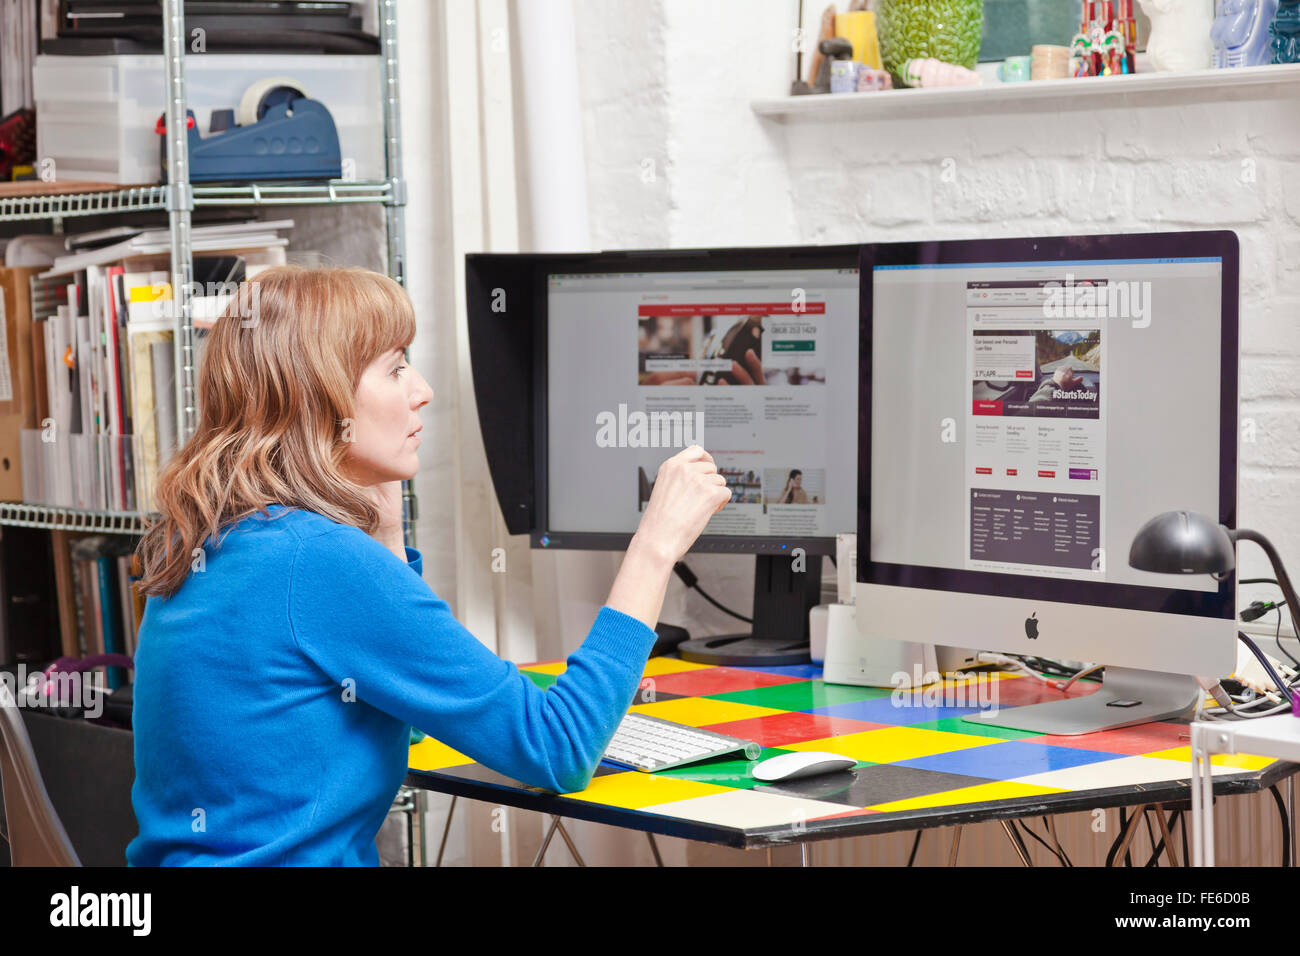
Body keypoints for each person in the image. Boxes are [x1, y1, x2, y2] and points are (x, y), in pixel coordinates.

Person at [126, 266, 731, 866]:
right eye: (395, 368)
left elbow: (400, 715)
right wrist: (654, 547)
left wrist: (386, 535)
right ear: (320, 399)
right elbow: (559, 747)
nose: (423, 390)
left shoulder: (204, 537)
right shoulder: (317, 559)